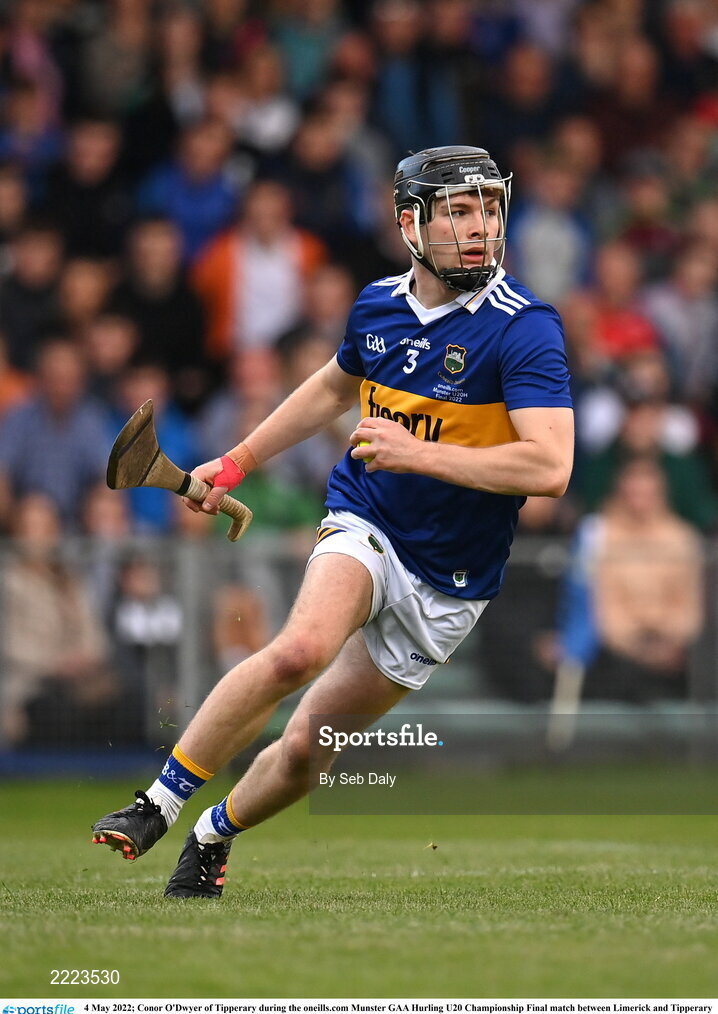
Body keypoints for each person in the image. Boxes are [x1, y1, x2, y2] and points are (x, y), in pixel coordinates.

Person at [91, 145, 573, 897]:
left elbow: (550, 467)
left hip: (452, 581)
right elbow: (329, 389)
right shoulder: (378, 304)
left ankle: (213, 834)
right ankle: (157, 802)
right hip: (367, 519)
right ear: (410, 223)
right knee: (298, 651)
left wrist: (418, 454)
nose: (478, 227)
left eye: (487, 208)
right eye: (457, 210)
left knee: (311, 749)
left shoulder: (525, 327)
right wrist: (237, 461)